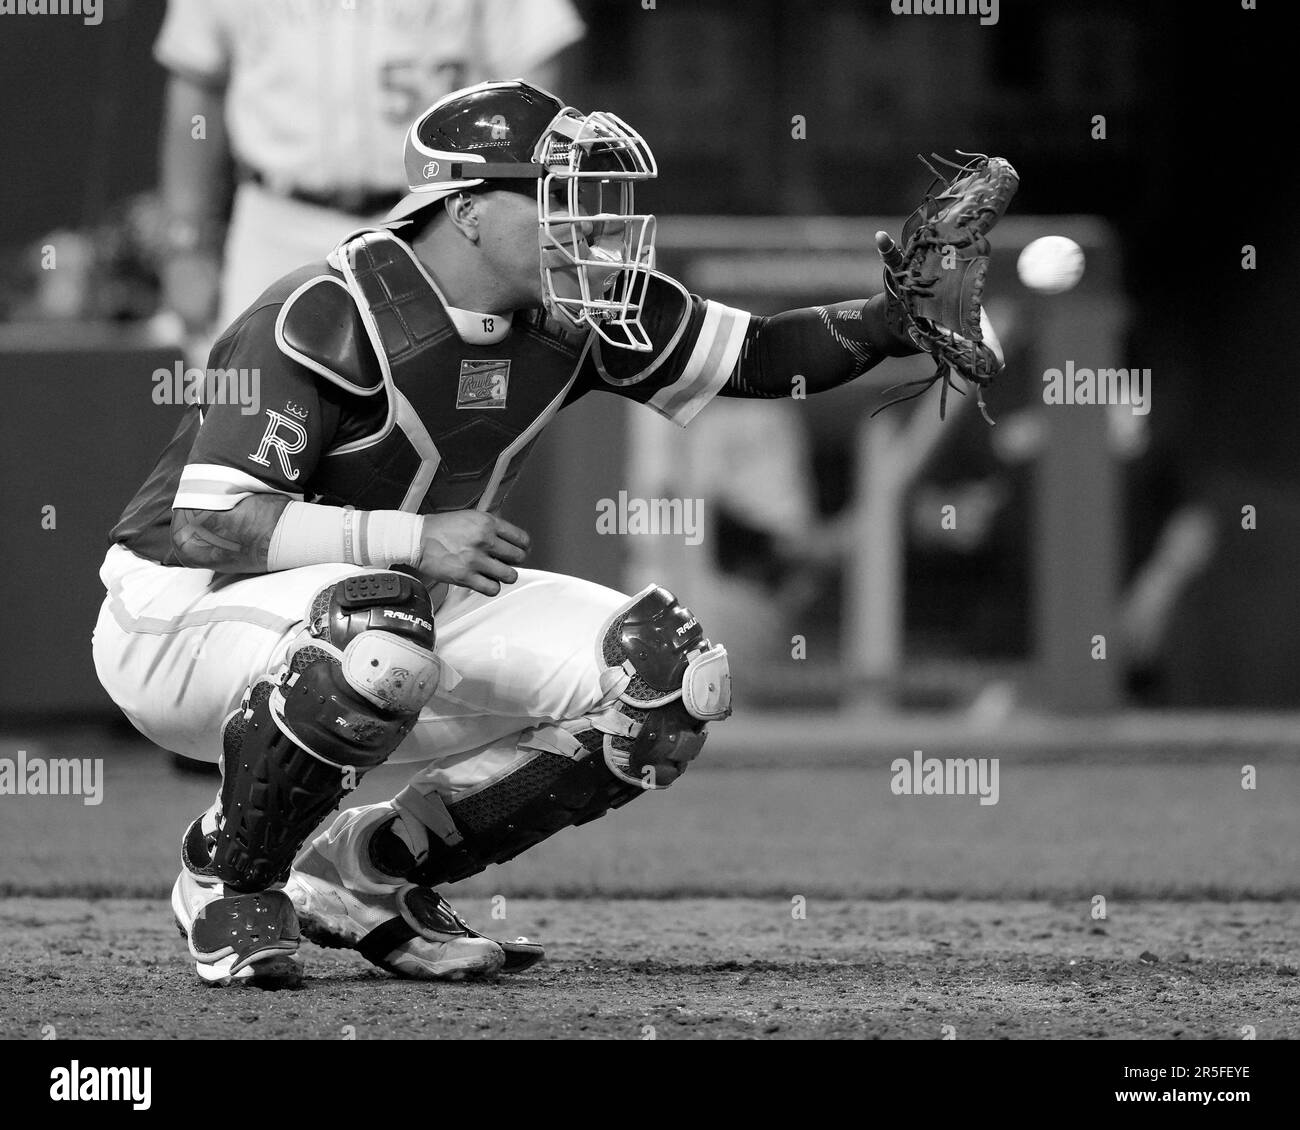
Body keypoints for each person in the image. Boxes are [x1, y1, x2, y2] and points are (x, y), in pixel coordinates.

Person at [93, 80, 1014, 987]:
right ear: (464, 209)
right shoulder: (324, 312)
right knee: (377, 629)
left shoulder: (578, 307)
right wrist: (408, 542)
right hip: (179, 616)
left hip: (400, 612)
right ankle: (228, 872)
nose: (593, 226)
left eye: (597, 199)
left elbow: (763, 355)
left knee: (668, 678)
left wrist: (895, 320)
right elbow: (211, 526)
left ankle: (370, 865)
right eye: (557, 195)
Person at [154, 0, 584, 342]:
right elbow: (198, 90)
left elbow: (532, 77)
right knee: (247, 416)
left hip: (432, 218)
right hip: (276, 227)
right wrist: (186, 239)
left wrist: (511, 220)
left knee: (439, 411)